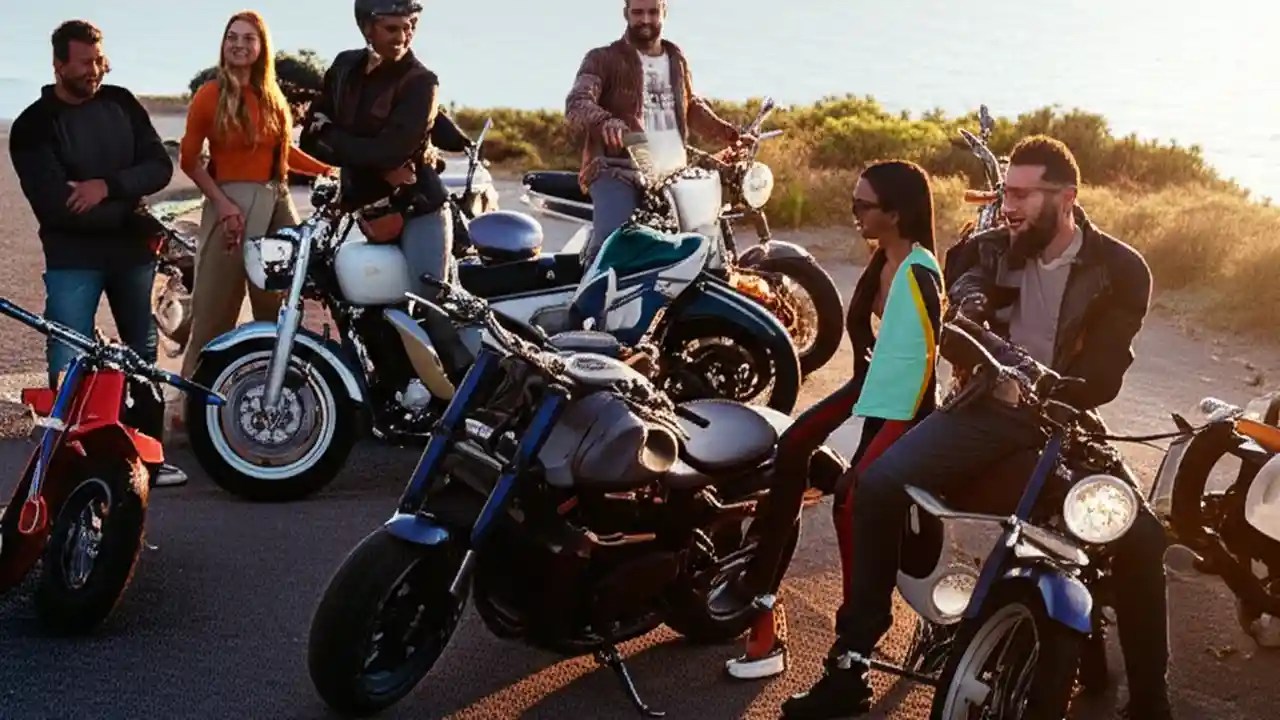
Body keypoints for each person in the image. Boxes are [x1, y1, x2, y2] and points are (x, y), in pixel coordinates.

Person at [780, 136, 1170, 720]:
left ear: (1066, 197)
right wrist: (984, 338)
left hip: (1065, 420)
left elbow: (1106, 366)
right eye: (1004, 191)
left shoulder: (1119, 269)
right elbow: (964, 306)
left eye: (1020, 194)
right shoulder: (980, 253)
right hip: (985, 410)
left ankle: (1150, 701)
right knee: (879, 484)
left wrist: (1065, 393)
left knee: (1141, 537)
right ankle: (851, 664)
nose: (1005, 205)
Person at [710, 161, 944, 680]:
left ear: (896, 213)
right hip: (873, 386)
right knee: (792, 445)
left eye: (863, 205)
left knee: (851, 499)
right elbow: (871, 351)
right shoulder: (884, 259)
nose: (853, 213)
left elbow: (919, 375)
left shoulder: (919, 271)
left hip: (903, 405)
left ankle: (854, 640)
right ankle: (759, 587)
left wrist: (884, 434)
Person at [8, 19, 186, 487]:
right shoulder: (32, 127)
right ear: (59, 64)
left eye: (100, 60)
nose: (96, 70)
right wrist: (130, 204)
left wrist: (105, 187)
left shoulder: (121, 102)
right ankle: (67, 462)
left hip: (134, 255)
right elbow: (57, 206)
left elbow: (158, 167)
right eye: (85, 62)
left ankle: (150, 458)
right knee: (67, 359)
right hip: (73, 257)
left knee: (142, 356)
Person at [178, 10, 335, 379]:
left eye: (248, 38)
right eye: (232, 37)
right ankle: (187, 407)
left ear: (262, 46)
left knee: (280, 302)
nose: (238, 44)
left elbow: (282, 153)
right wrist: (223, 204)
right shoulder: (210, 94)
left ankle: (269, 388)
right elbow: (190, 160)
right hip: (231, 200)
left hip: (276, 199)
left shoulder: (272, 95)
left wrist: (327, 170)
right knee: (215, 310)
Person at [300, 0, 473, 296]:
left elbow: (387, 153)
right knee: (361, 307)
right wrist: (359, 151)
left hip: (418, 210)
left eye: (410, 27)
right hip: (367, 214)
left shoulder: (421, 82)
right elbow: (308, 141)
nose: (402, 36)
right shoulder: (344, 68)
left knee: (431, 305)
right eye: (392, 28)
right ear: (367, 27)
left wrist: (329, 131)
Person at [564, 0, 750, 267]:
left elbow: (690, 106)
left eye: (653, 12)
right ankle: (588, 306)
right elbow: (578, 103)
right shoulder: (602, 58)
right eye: (638, 12)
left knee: (697, 252)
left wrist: (728, 133)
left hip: (673, 176)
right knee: (611, 250)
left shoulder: (676, 58)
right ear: (626, 13)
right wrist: (606, 122)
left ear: (664, 12)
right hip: (618, 170)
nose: (645, 20)